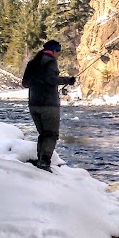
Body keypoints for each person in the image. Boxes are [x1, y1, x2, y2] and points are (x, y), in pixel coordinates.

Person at [21, 40, 76, 172]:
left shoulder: (32, 63)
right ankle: (44, 163)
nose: (59, 55)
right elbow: (51, 80)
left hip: (34, 104)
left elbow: (25, 83)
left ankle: (41, 161)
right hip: (48, 105)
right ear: (54, 50)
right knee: (51, 135)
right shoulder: (50, 62)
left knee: (43, 134)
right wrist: (67, 80)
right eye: (59, 52)